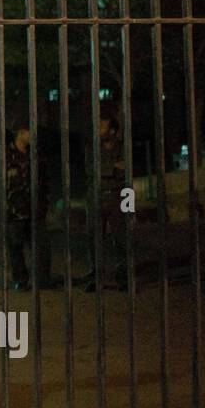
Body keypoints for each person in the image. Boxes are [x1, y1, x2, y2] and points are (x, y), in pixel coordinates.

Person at [1, 125, 55, 291]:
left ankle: (43, 280)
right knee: (16, 248)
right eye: (30, 131)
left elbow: (45, 178)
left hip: (36, 209)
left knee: (42, 247)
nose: (33, 135)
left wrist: (45, 202)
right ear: (20, 133)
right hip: (14, 211)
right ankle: (21, 280)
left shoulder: (36, 154)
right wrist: (5, 203)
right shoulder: (5, 156)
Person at [85, 114, 129, 293]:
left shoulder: (123, 147)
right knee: (94, 238)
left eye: (102, 128)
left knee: (122, 238)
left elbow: (128, 171)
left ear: (112, 130)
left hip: (121, 195)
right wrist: (114, 167)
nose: (99, 131)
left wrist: (105, 168)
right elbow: (90, 169)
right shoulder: (91, 147)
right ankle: (97, 277)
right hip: (96, 195)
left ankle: (124, 277)